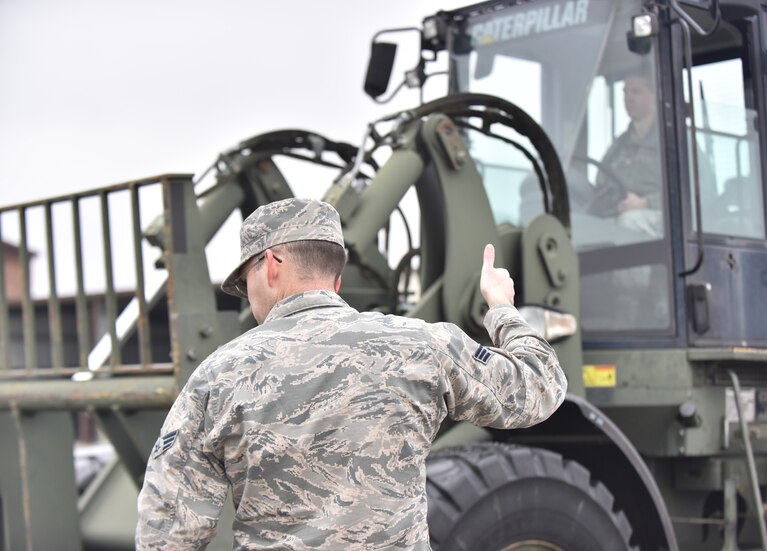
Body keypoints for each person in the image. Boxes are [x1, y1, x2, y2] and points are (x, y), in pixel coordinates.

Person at [136, 198, 567, 550]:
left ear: (270, 265)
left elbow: (166, 532)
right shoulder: (423, 346)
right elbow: (541, 387)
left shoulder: (218, 376)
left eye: (245, 279)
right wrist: (501, 308)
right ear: (336, 280)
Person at [590, 70, 664, 238]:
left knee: (628, 223)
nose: (628, 98)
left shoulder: (674, 142)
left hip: (661, 219)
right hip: (619, 214)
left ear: (653, 96)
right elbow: (601, 183)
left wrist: (645, 203)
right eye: (625, 92)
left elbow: (699, 194)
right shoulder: (619, 146)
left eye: (636, 92)